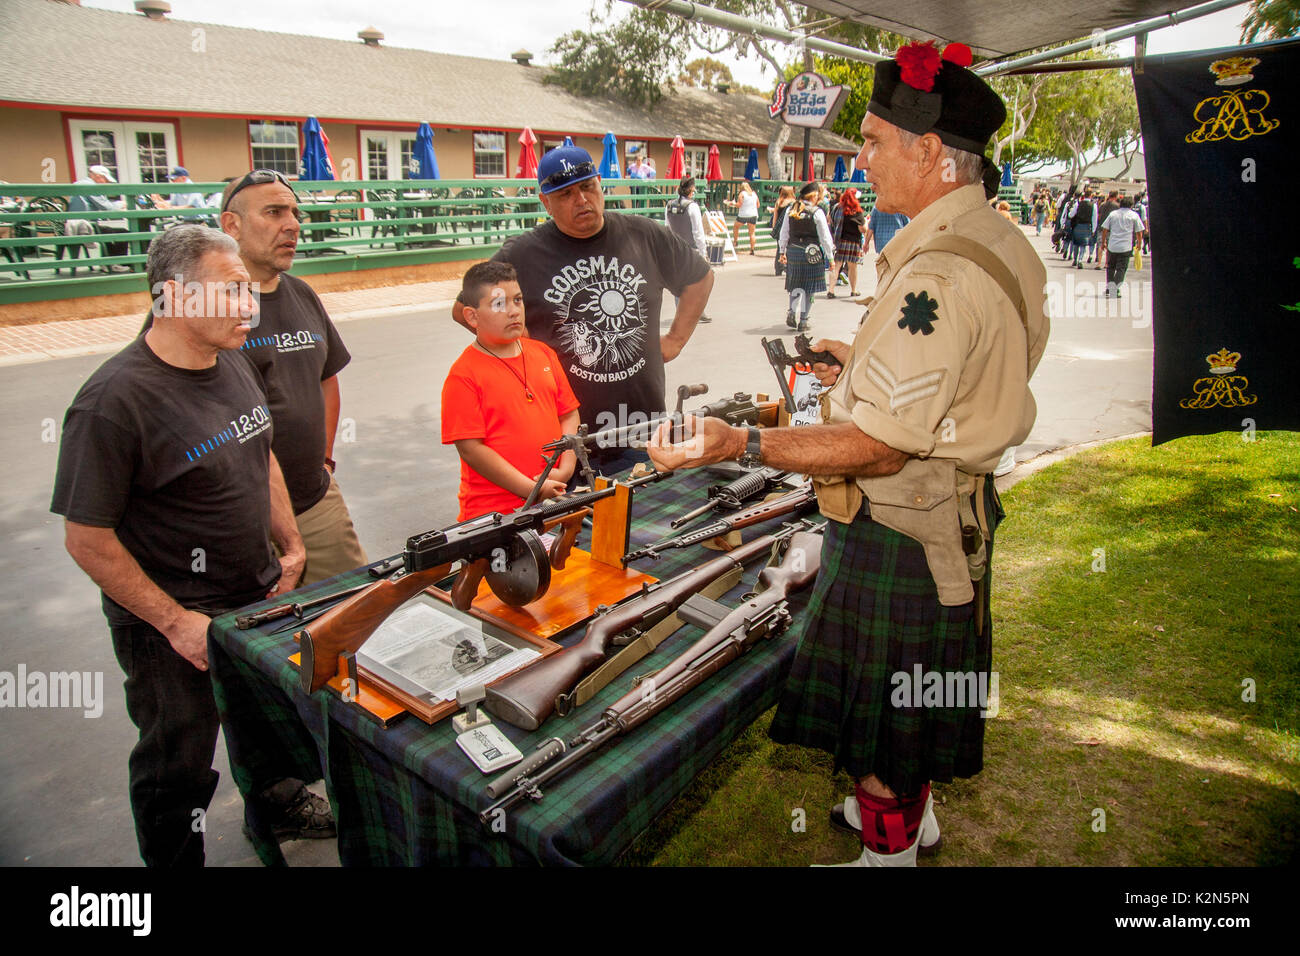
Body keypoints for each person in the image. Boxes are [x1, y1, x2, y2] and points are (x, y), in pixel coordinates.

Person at [647, 40, 1049, 868]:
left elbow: (880, 444)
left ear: (930, 152)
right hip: (957, 512)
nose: (858, 159)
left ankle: (887, 854)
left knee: (883, 717)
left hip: (904, 525)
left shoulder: (933, 276)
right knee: (915, 702)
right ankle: (914, 822)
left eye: (870, 141)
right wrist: (861, 365)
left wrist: (745, 440)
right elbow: (971, 372)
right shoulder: (998, 241)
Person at [50, 225, 333, 866]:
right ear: (171, 298)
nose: (248, 306)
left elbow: (260, 454)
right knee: (176, 761)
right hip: (169, 622)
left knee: (265, 726)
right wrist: (178, 624)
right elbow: (86, 538)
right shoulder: (112, 403)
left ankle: (279, 803)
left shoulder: (229, 357)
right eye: (230, 290)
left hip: (254, 593)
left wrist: (289, 544)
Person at [451, 145, 713, 476]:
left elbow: (700, 278)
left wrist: (675, 339)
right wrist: (522, 346)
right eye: (565, 194)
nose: (581, 200)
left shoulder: (644, 236)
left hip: (640, 429)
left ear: (601, 184)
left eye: (588, 187)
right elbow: (465, 309)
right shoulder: (523, 254)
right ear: (545, 202)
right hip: (564, 438)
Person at [218, 169, 368, 585]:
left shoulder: (301, 293)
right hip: (243, 517)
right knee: (263, 634)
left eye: (294, 212)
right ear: (232, 225)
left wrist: (324, 457)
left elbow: (327, 377)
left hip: (315, 500)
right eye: (274, 212)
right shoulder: (205, 305)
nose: (292, 225)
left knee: (355, 610)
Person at [442, 261, 580, 520]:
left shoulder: (543, 354)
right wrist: (533, 489)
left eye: (517, 300)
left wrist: (565, 468)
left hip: (553, 497)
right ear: (472, 316)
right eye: (499, 304)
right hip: (494, 514)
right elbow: (471, 449)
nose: (514, 311)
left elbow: (569, 414)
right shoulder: (463, 375)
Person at [778, 181, 835, 332]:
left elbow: (784, 232)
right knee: (809, 288)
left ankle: (791, 311)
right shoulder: (816, 212)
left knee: (795, 284)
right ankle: (803, 320)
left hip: (794, 250)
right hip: (812, 253)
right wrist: (830, 258)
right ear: (814, 195)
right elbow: (825, 237)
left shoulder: (791, 209)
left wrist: (782, 251)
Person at [68, 165, 130, 271]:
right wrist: (121, 204)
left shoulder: (80, 184)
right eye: (105, 179)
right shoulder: (90, 186)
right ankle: (114, 264)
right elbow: (107, 207)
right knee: (122, 232)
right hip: (86, 226)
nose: (106, 183)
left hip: (79, 224)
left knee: (111, 231)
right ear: (97, 176)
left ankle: (109, 263)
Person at [1100, 196, 1145, 298]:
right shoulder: (1134, 215)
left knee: (1110, 267)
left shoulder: (1113, 214)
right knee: (1121, 269)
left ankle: (1111, 288)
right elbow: (1139, 231)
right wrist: (1139, 243)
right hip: (1125, 247)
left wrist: (1103, 243)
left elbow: (1105, 229)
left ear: (1120, 204)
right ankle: (1114, 288)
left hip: (1112, 245)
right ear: (1131, 205)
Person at [827, 187, 867, 297]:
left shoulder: (837, 208)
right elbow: (862, 229)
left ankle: (831, 290)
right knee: (852, 267)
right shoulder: (856, 211)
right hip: (853, 242)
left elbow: (830, 221)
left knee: (836, 266)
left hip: (840, 240)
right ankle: (854, 290)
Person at [768, 184, 797, 276]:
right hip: (789, 226)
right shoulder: (793, 203)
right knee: (789, 247)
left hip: (779, 227)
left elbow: (775, 216)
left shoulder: (779, 202)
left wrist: (774, 227)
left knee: (779, 248)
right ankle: (787, 266)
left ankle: (778, 268)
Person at [725, 180, 760, 255]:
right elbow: (758, 205)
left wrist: (733, 204)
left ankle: (735, 241)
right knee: (752, 233)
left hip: (743, 214)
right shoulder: (754, 194)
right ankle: (752, 249)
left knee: (736, 227)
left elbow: (739, 205)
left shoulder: (742, 194)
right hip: (753, 215)